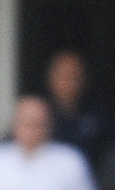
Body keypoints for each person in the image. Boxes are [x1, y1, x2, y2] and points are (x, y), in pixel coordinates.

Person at [46, 49, 110, 178]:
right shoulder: (39, 117)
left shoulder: (98, 118)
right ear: (51, 79)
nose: (69, 83)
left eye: (74, 77)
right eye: (64, 77)